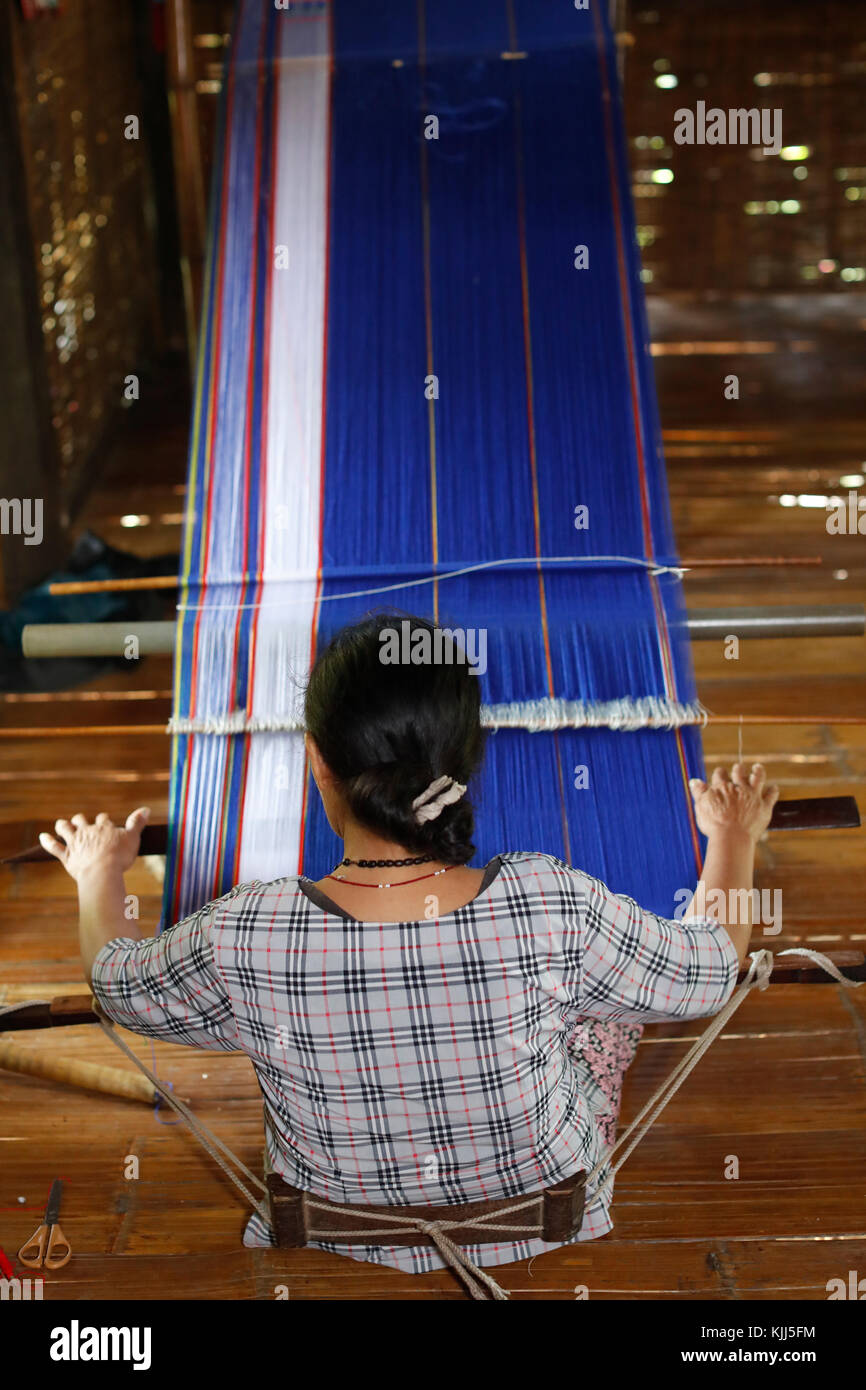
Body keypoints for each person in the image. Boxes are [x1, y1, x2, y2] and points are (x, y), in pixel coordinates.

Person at [39, 613, 779, 1275]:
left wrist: (98, 871)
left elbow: (116, 983)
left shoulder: (246, 932)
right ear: (467, 764)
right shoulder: (548, 904)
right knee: (603, 1013)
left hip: (333, 1229)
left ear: (317, 763)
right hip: (542, 1217)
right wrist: (735, 837)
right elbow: (712, 966)